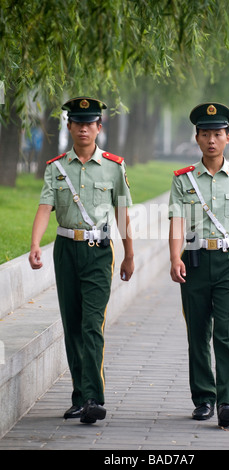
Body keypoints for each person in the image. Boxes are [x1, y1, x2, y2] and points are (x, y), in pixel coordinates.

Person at [29, 97, 134, 424]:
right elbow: (45, 207)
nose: (84, 128)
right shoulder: (56, 167)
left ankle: (93, 397)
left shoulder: (114, 167)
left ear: (99, 128)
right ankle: (79, 396)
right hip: (65, 250)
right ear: (70, 127)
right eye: (78, 123)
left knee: (92, 324)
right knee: (72, 324)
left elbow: (122, 214)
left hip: (99, 252)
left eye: (90, 123)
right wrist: (35, 244)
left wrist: (130, 254)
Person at [168, 102, 229, 428]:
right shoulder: (183, 180)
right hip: (195, 261)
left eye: (217, 134)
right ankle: (203, 399)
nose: (211, 140)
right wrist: (174, 257)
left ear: (228, 137)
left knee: (226, 334)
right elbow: (176, 222)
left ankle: (226, 401)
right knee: (198, 333)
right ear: (197, 137)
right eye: (205, 134)